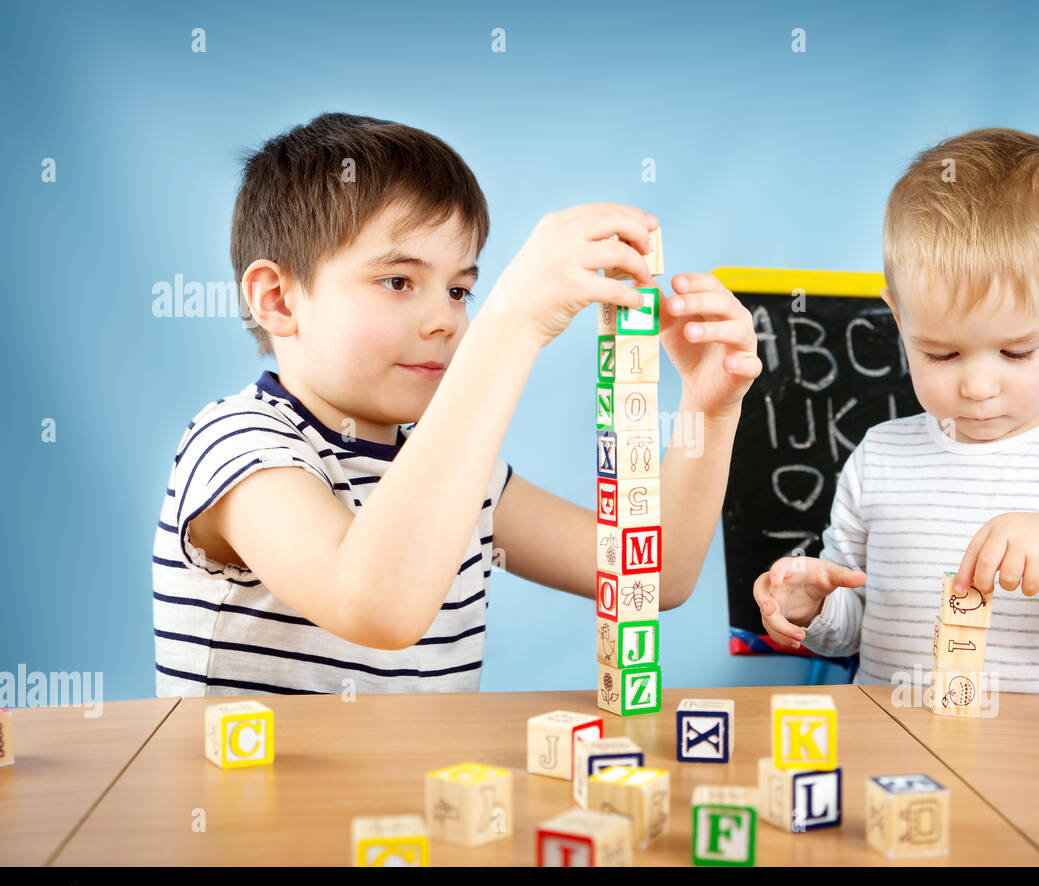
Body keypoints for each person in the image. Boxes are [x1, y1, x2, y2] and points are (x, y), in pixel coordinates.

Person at [153, 112, 760, 695]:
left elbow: (649, 577)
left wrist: (707, 410)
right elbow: (375, 606)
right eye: (398, 282)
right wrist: (509, 327)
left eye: (461, 290)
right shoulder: (236, 446)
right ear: (279, 301)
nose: (445, 320)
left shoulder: (460, 478)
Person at [753, 128, 1039, 698]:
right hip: (898, 758)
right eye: (941, 353)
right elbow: (855, 624)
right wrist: (813, 607)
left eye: (1016, 352)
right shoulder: (880, 457)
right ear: (898, 318)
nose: (977, 386)